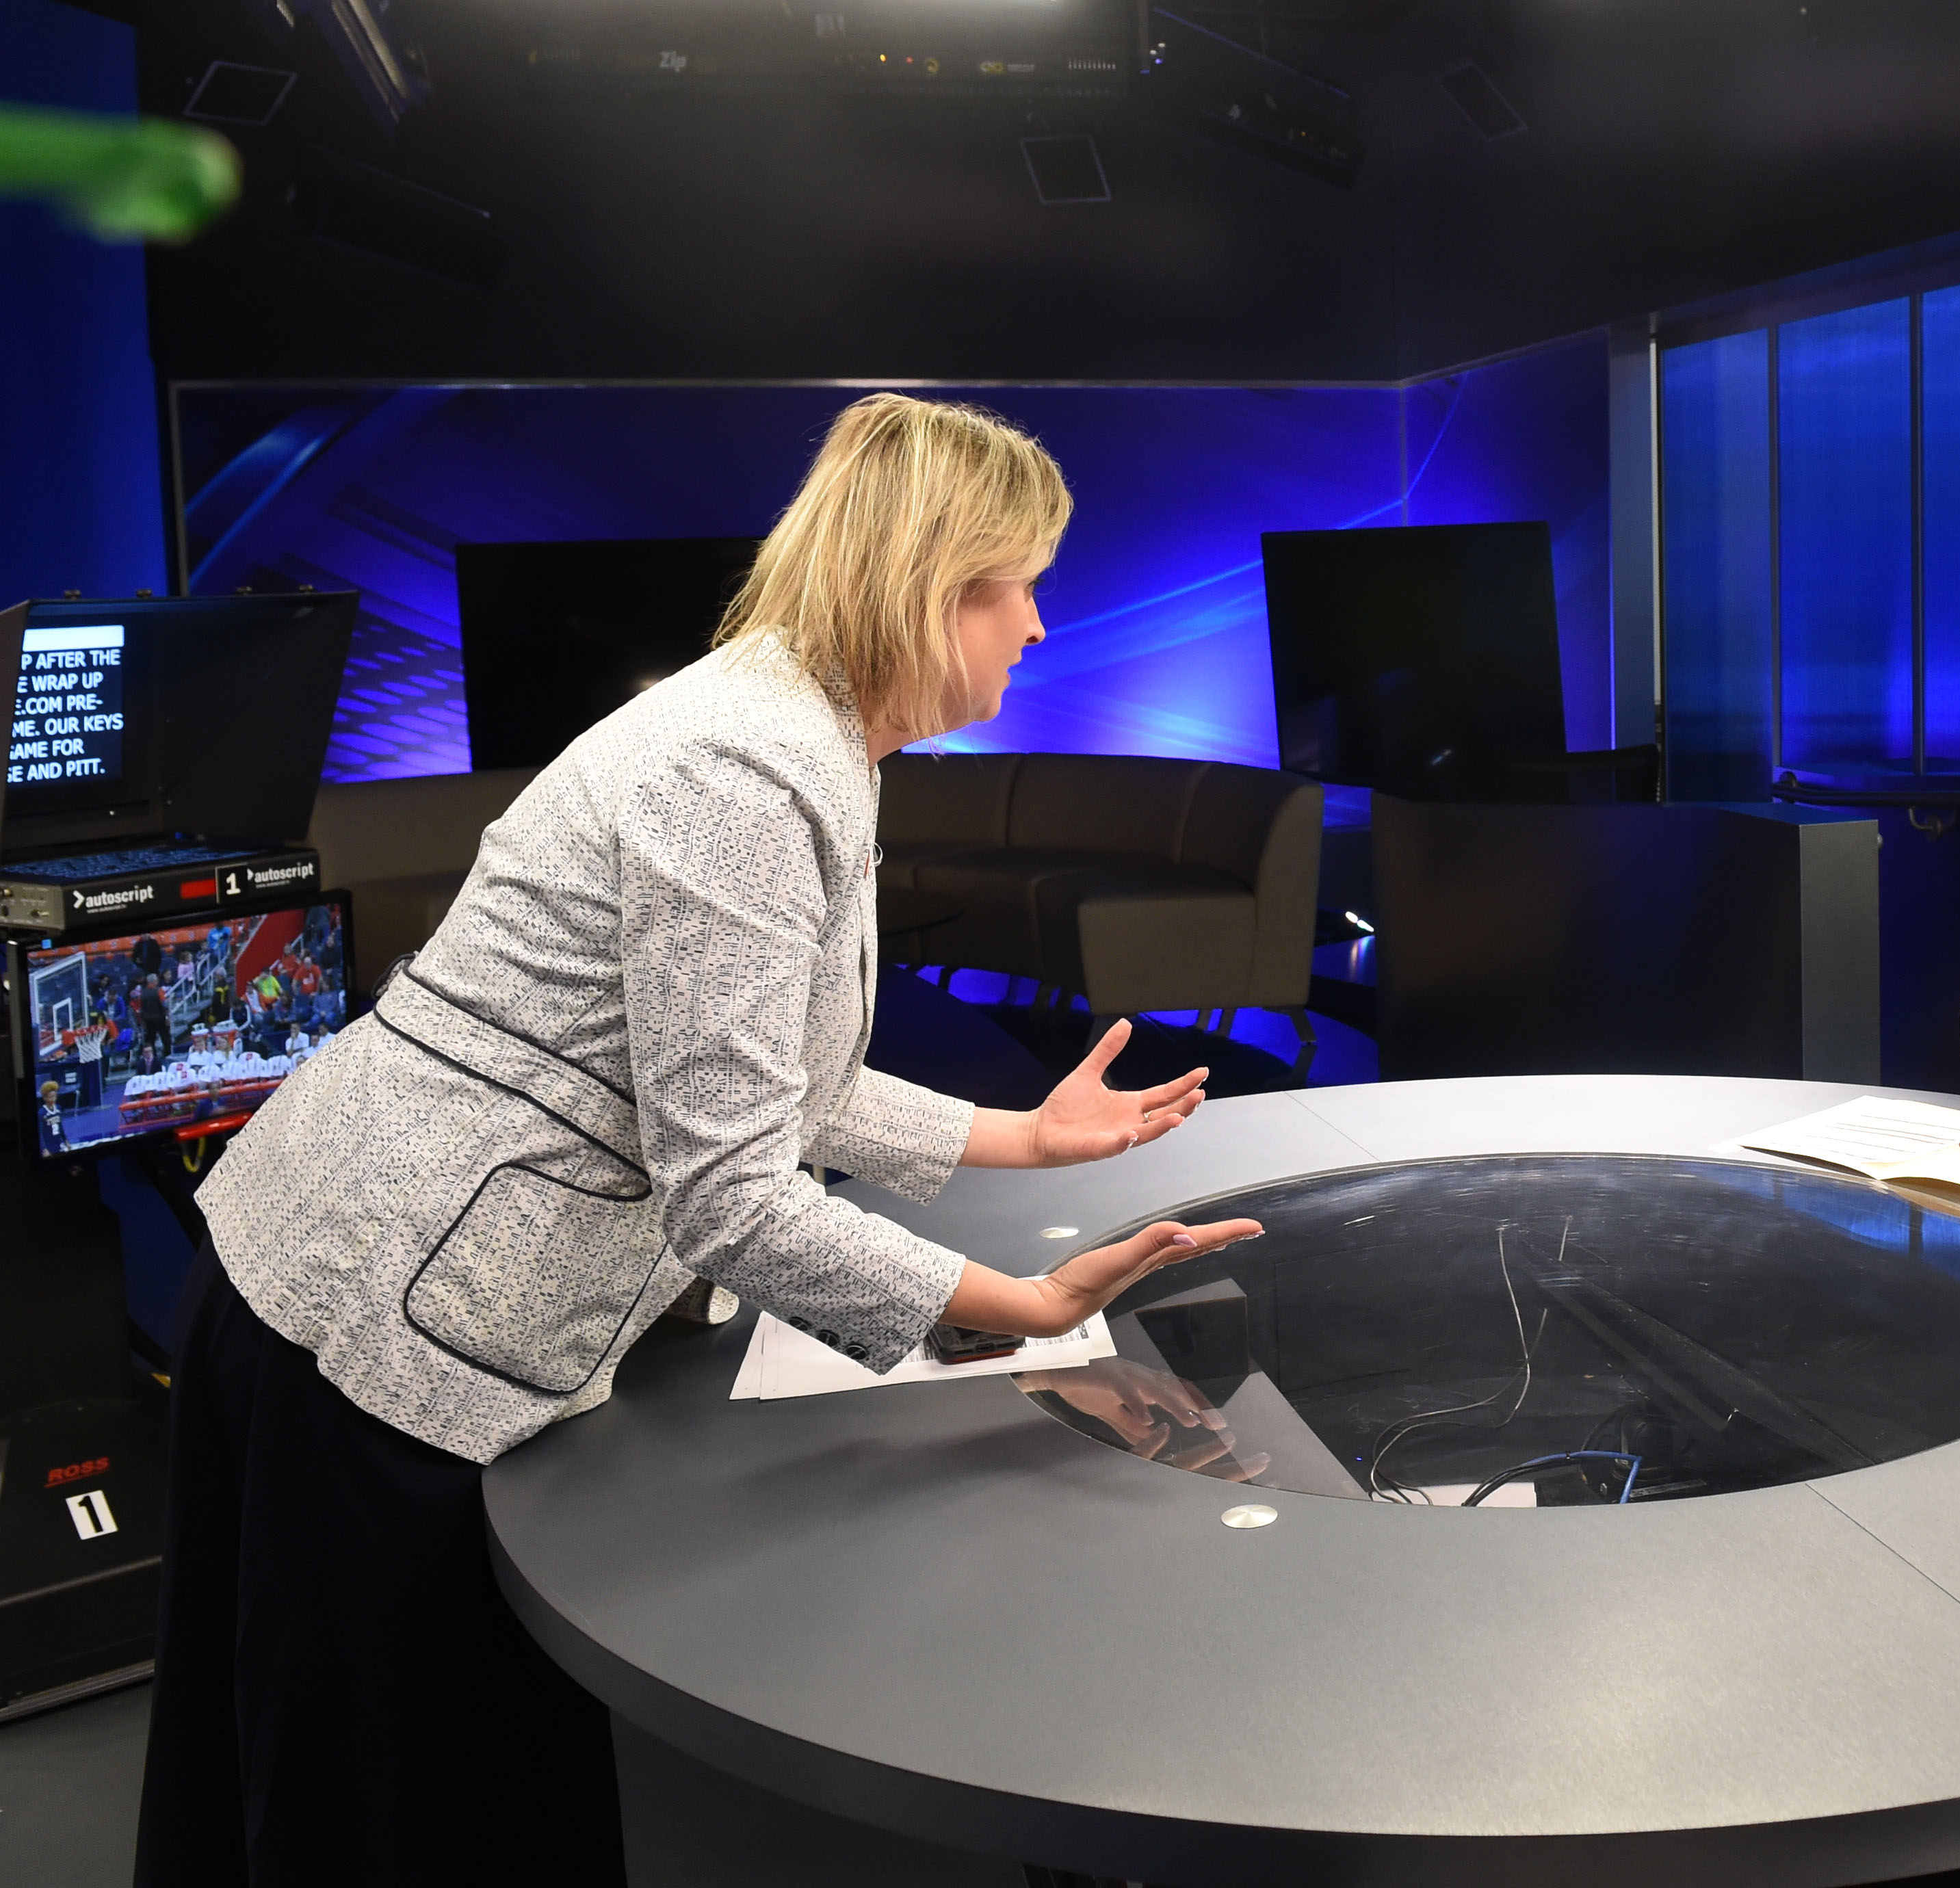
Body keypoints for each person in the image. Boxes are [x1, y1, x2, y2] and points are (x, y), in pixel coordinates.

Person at [135, 395, 1265, 1886]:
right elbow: (733, 1189)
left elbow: (747, 1077)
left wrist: (1026, 1137)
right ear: (928, 585)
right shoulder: (742, 769)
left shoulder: (801, 736)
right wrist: (1021, 1311)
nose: (1040, 628)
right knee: (369, 1814)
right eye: (1019, 586)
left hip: (370, 1285)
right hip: (365, 1322)